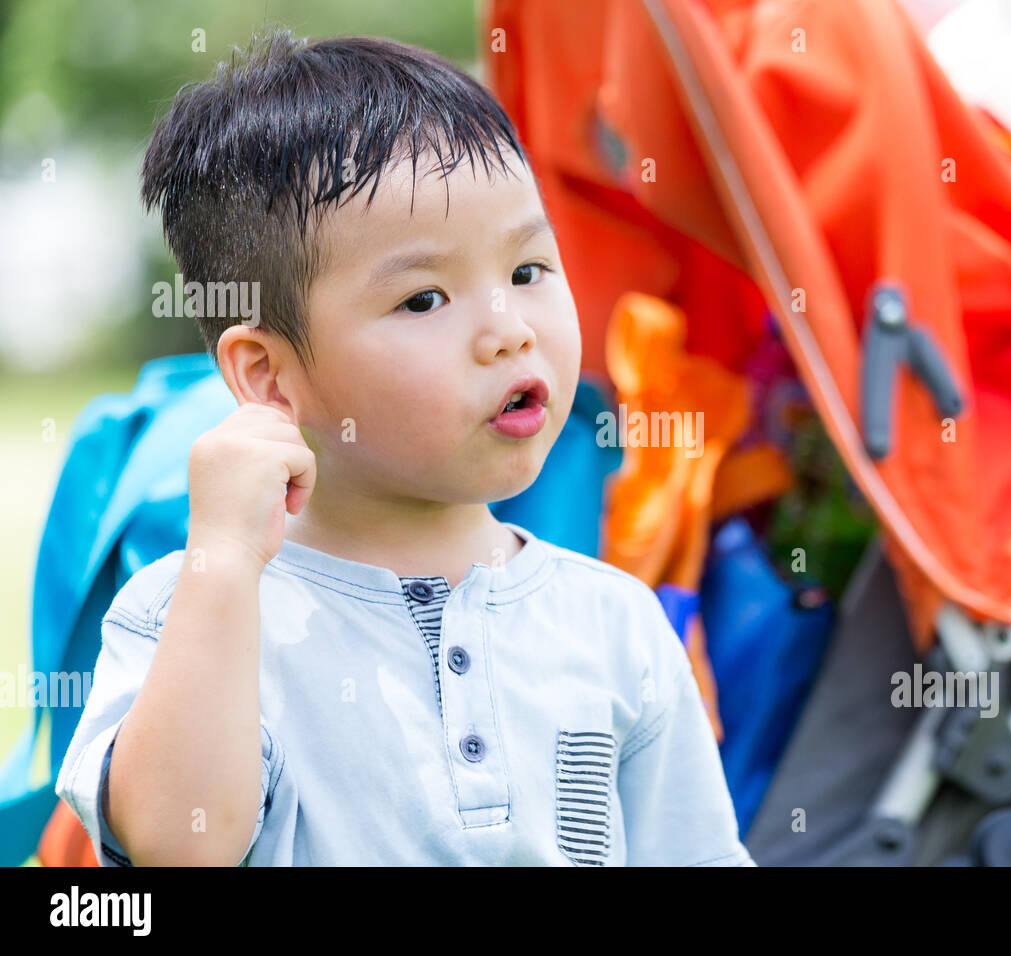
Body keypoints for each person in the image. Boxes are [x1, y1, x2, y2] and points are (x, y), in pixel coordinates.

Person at [54, 29, 754, 867]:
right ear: (271, 378)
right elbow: (174, 847)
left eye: (530, 270)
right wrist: (224, 565)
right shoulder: (192, 614)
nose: (507, 330)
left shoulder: (616, 625)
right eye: (425, 298)